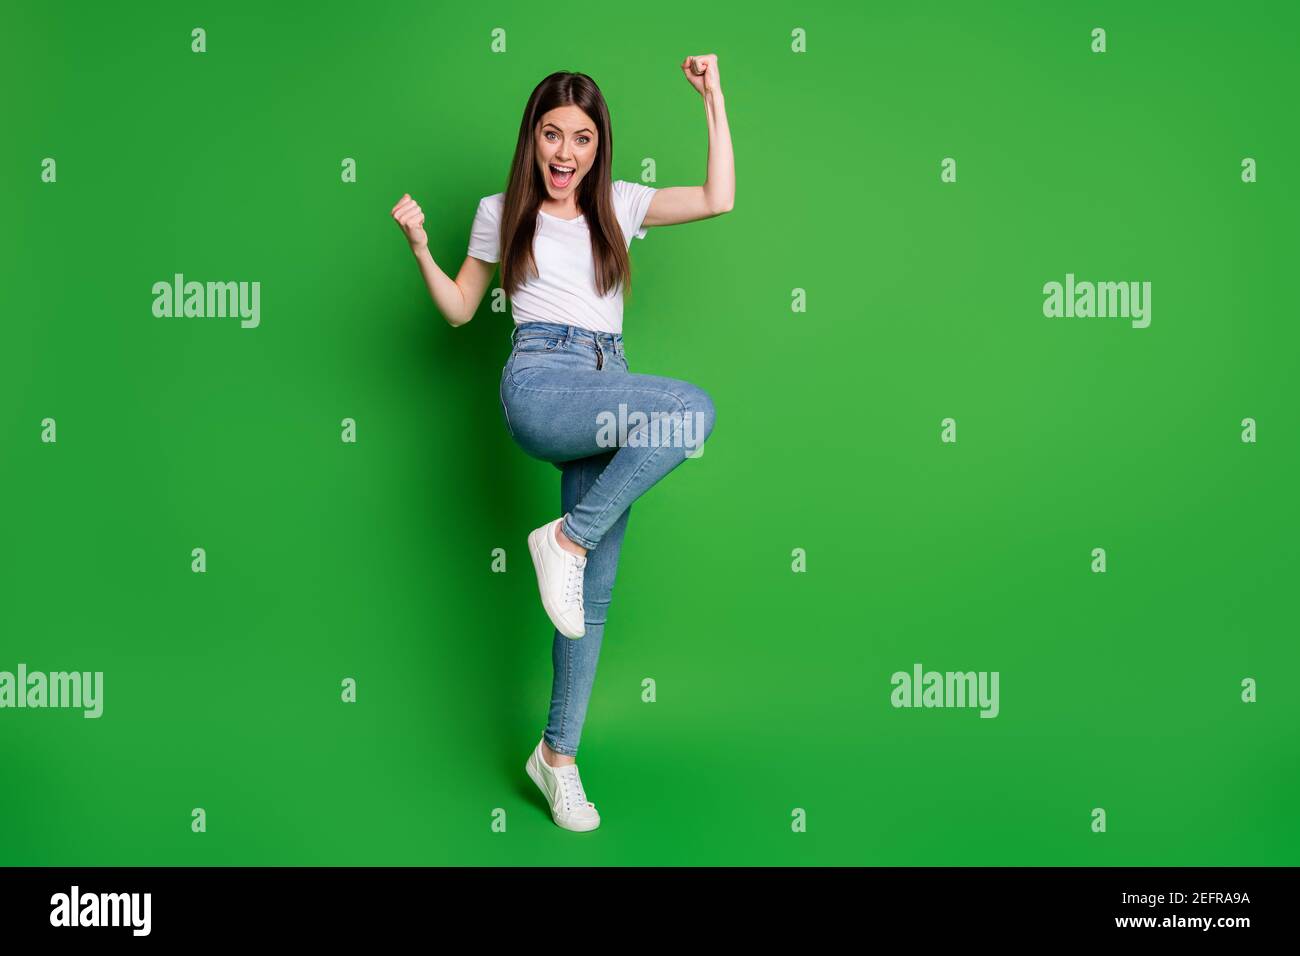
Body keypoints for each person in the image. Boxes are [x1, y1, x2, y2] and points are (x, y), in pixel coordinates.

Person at [390, 56, 735, 831]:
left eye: (581, 137)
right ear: (533, 139)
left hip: (607, 388)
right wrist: (419, 247)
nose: (565, 152)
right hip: (542, 386)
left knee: (588, 606)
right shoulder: (499, 210)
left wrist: (713, 98)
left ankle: (557, 759)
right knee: (692, 408)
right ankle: (567, 542)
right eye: (552, 134)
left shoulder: (618, 205)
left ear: (597, 145)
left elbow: (720, 198)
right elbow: (458, 309)